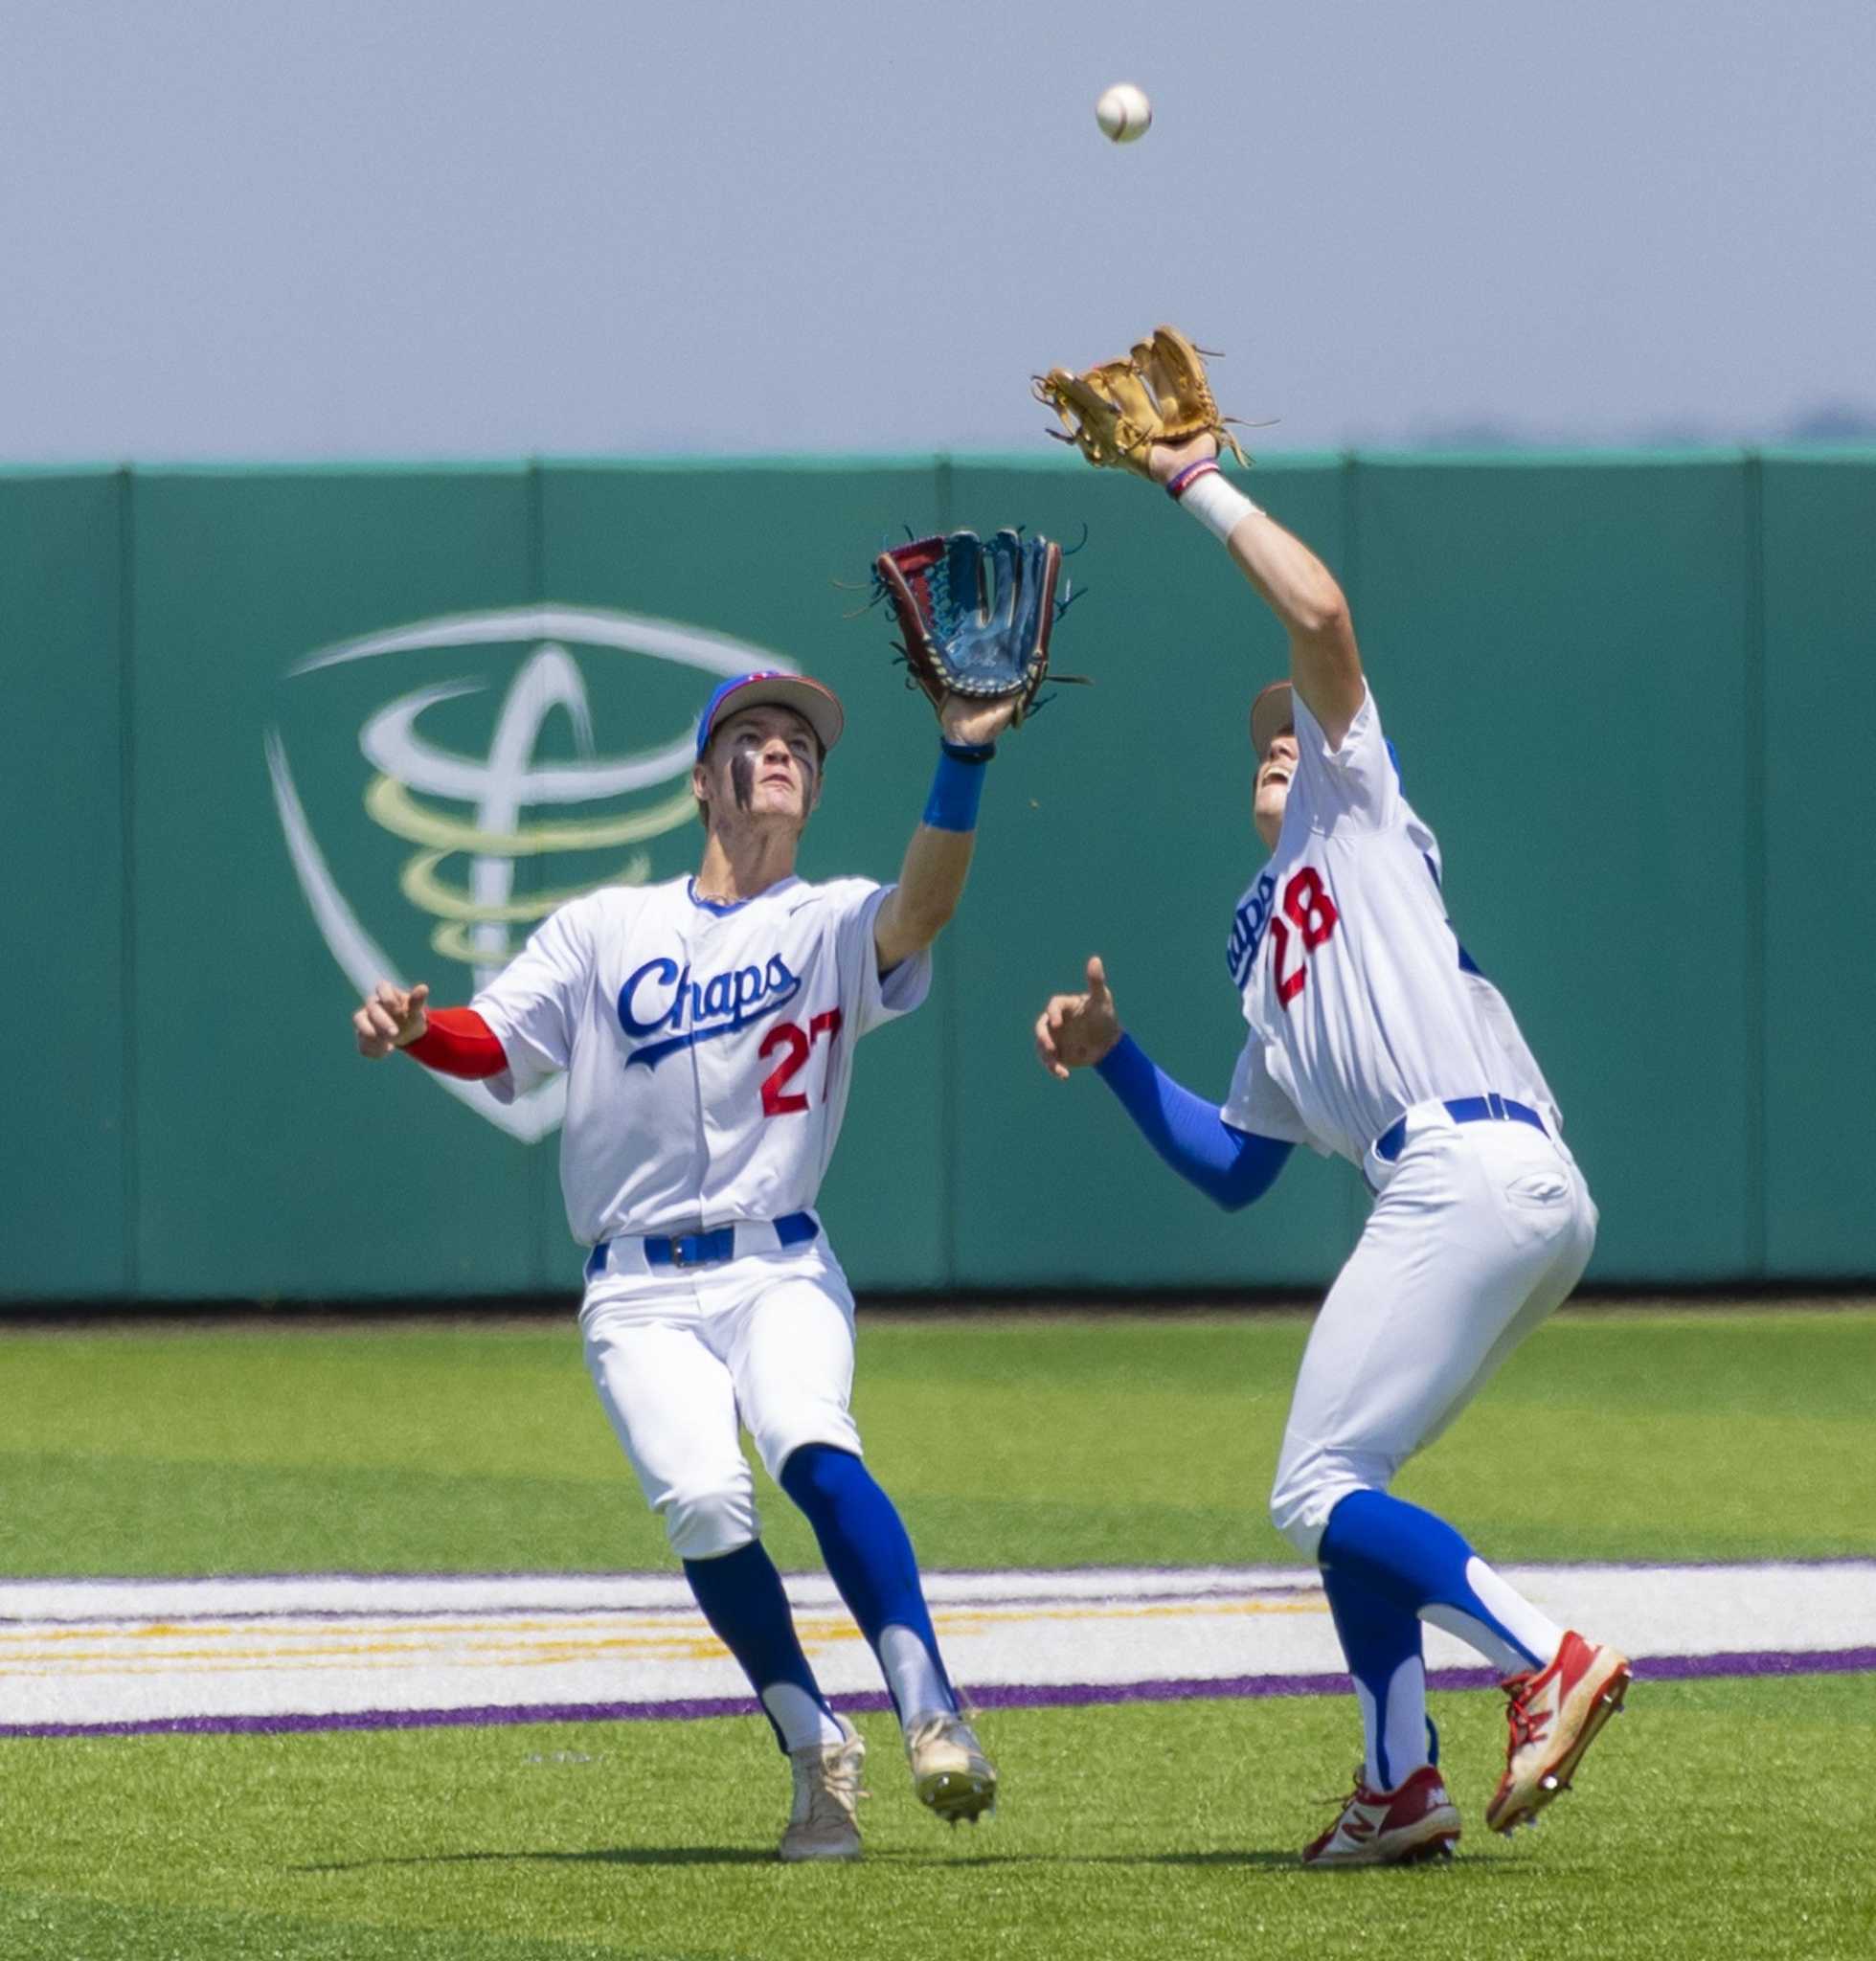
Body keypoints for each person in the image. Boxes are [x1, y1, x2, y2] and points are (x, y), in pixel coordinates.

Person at [1033, 429, 1630, 1866]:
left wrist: (1192, 482)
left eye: (1295, 733)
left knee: (1313, 1491)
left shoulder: (1355, 809)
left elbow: (1315, 620)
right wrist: (1114, 1062)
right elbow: (1238, 1166)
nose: (1282, 745)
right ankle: (1394, 1784)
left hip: (1461, 1174)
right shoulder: (1268, 956)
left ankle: (1540, 1656)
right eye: (1266, 743)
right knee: (1346, 1481)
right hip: (1502, 1189)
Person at [354, 666, 1013, 1862]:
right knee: (708, 1503)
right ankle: (816, 1750)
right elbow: (494, 1038)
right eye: (752, 737)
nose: (782, 752)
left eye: (801, 744)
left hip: (779, 1263)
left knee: (810, 1439)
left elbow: (921, 910)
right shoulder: (606, 927)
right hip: (638, 1289)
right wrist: (416, 1031)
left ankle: (931, 1708)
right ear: (701, 781)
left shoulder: (828, 919)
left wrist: (962, 755)